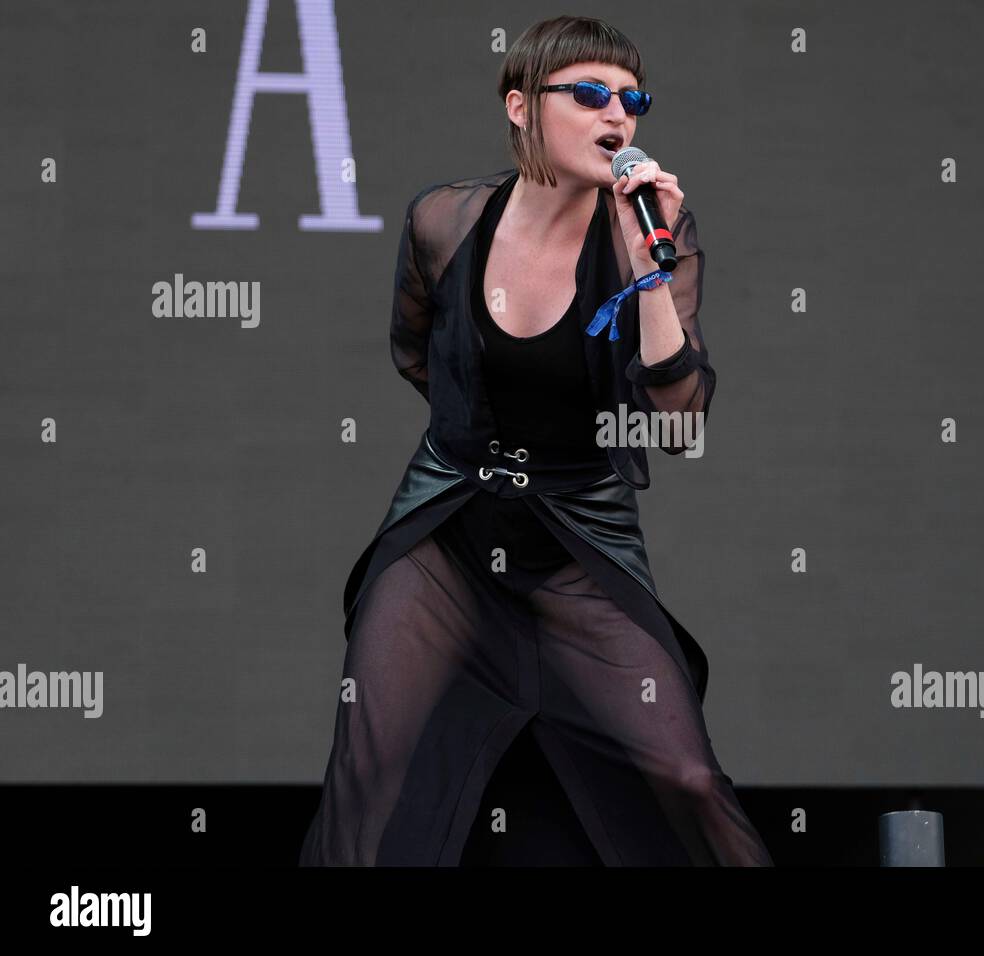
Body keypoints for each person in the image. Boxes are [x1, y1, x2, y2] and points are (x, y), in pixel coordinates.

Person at [299, 14, 773, 866]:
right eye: (589, 94)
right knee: (369, 772)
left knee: (688, 779)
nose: (617, 116)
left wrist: (649, 276)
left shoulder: (654, 234)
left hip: (576, 540)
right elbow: (418, 356)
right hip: (447, 531)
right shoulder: (443, 222)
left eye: (633, 100)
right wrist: (482, 446)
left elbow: (681, 420)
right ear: (520, 105)